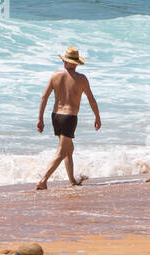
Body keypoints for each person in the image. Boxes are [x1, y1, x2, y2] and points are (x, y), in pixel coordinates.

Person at [35, 45, 101, 190]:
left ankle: (72, 181)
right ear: (75, 63)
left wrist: (40, 118)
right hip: (69, 118)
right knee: (62, 151)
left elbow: (44, 97)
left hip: (56, 117)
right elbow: (91, 99)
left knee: (69, 150)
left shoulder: (55, 76)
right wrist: (97, 117)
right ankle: (43, 180)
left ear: (65, 61)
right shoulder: (81, 79)